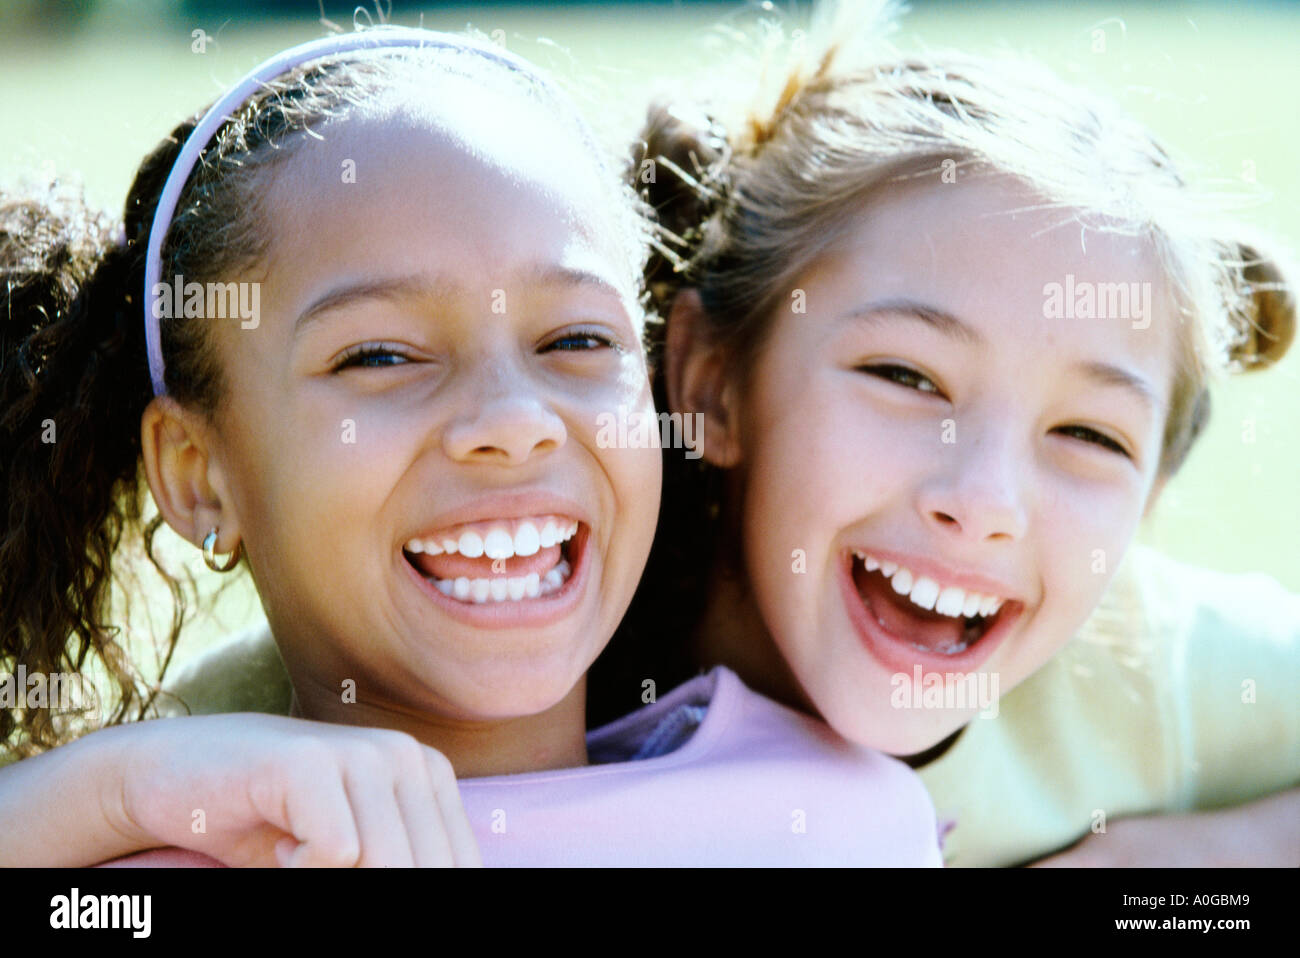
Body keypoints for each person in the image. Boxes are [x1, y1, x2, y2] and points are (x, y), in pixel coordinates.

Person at [0, 26, 942, 868]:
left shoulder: (848, 815)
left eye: (576, 340)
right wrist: (119, 788)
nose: (513, 419)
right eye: (380, 356)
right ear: (198, 476)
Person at [588, 10, 1297, 864]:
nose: (983, 501)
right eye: (907, 378)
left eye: (1088, 434)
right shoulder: (541, 649)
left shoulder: (1153, 671)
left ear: (1149, 498)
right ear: (714, 384)